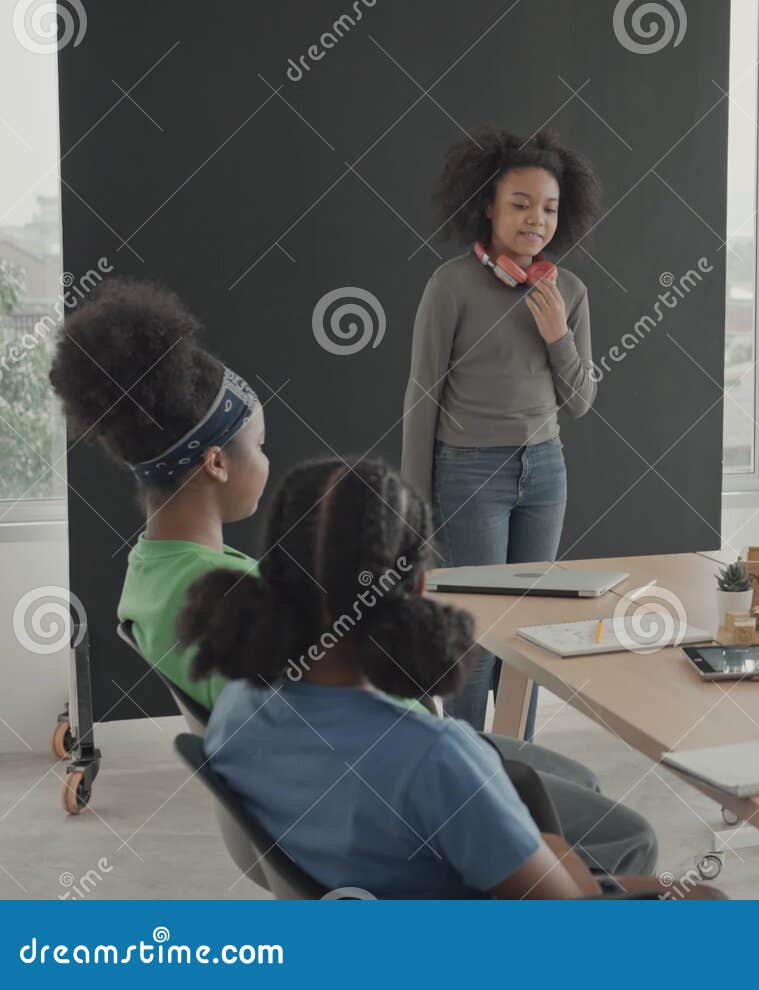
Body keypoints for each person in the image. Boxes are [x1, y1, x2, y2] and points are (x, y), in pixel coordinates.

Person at [50, 279, 653, 880]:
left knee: (575, 780)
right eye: (260, 444)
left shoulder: (155, 575)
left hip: (356, 789)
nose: (267, 459)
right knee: (625, 836)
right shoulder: (217, 592)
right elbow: (360, 740)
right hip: (392, 794)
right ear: (216, 463)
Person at [183, 457, 710, 899]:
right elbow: (567, 914)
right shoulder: (435, 758)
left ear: (274, 570)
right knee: (703, 898)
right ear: (417, 588)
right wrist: (558, 849)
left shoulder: (236, 705)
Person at [401, 128, 601, 740]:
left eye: (550, 208)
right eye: (520, 203)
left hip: (545, 472)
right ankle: (462, 758)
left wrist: (557, 335)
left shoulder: (568, 292)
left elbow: (580, 402)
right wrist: (415, 508)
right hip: (469, 473)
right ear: (487, 205)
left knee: (529, 633)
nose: (537, 219)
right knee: (479, 631)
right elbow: (422, 394)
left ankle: (518, 757)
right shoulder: (450, 285)